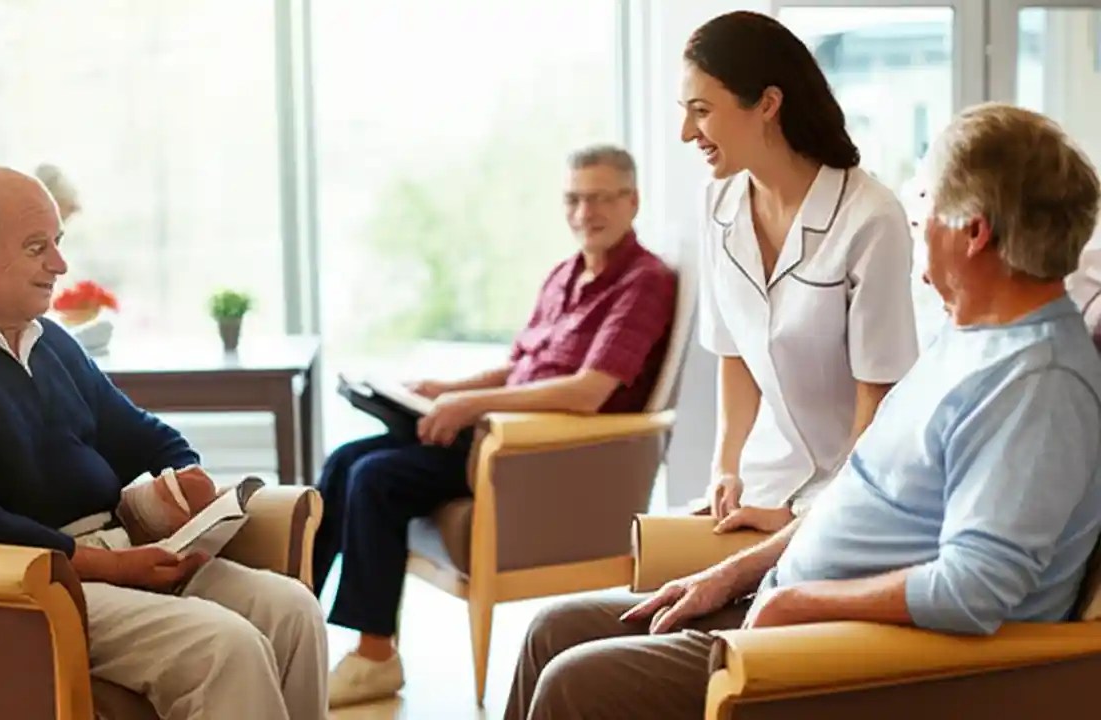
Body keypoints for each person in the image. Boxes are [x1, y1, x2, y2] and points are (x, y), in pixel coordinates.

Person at [504, 102, 1101, 720]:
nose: (917, 230)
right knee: (555, 628)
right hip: (798, 607)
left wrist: (802, 604)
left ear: (973, 232)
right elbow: (859, 497)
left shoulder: (1038, 384)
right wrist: (734, 574)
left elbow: (973, 591)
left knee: (578, 682)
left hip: (863, 659)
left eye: (925, 212)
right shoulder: (973, 337)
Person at [0, 166, 328, 720]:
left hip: (113, 556)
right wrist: (113, 567)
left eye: (57, 244)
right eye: (38, 247)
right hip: (28, 586)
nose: (59, 265)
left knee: (294, 610)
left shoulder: (47, 339)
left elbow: (144, 436)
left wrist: (185, 480)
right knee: (225, 647)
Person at [317, 145, 677, 707]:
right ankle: (293, 624)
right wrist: (447, 390)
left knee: (376, 478)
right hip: (491, 435)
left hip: (535, 460)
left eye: (601, 198)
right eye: (574, 199)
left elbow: (588, 391)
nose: (586, 212)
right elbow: (522, 365)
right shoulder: (564, 274)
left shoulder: (644, 281)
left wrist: (473, 407)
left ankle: (374, 658)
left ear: (632, 201)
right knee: (345, 460)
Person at [683, 11, 918, 533]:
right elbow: (736, 354)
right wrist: (725, 468)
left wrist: (805, 517)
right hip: (762, 480)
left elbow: (878, 398)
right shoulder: (717, 203)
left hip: (852, 496)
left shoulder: (871, 218)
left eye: (701, 111)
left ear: (767, 103)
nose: (686, 133)